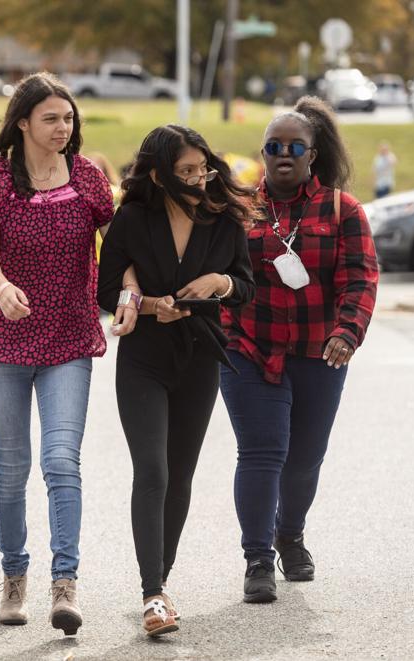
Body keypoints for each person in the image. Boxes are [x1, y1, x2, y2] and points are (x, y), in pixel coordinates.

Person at [0, 72, 113, 636]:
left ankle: (65, 583)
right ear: (24, 122)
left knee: (60, 462)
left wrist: (127, 289)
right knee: (12, 469)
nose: (63, 127)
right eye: (51, 118)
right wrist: (2, 287)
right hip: (4, 338)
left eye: (69, 118)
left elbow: (118, 242)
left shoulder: (90, 180)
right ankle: (13, 576)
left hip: (69, 338)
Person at [97, 125, 256, 636]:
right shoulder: (133, 218)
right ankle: (151, 593)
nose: (198, 179)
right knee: (153, 471)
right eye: (186, 172)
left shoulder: (224, 218)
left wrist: (221, 282)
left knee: (181, 475)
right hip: (143, 358)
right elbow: (106, 290)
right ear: (160, 175)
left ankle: (160, 584)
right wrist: (147, 305)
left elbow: (246, 286)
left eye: (202, 169)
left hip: (199, 359)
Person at [219, 97, 378, 604]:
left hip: (318, 352)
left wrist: (346, 332)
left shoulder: (341, 209)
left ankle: (290, 533)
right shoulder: (238, 208)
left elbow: (361, 276)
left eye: (294, 147)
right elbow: (218, 274)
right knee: (262, 453)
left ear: (312, 155)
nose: (283, 155)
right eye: (273, 147)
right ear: (263, 154)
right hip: (248, 349)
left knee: (305, 458)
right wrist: (223, 329)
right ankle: (258, 558)